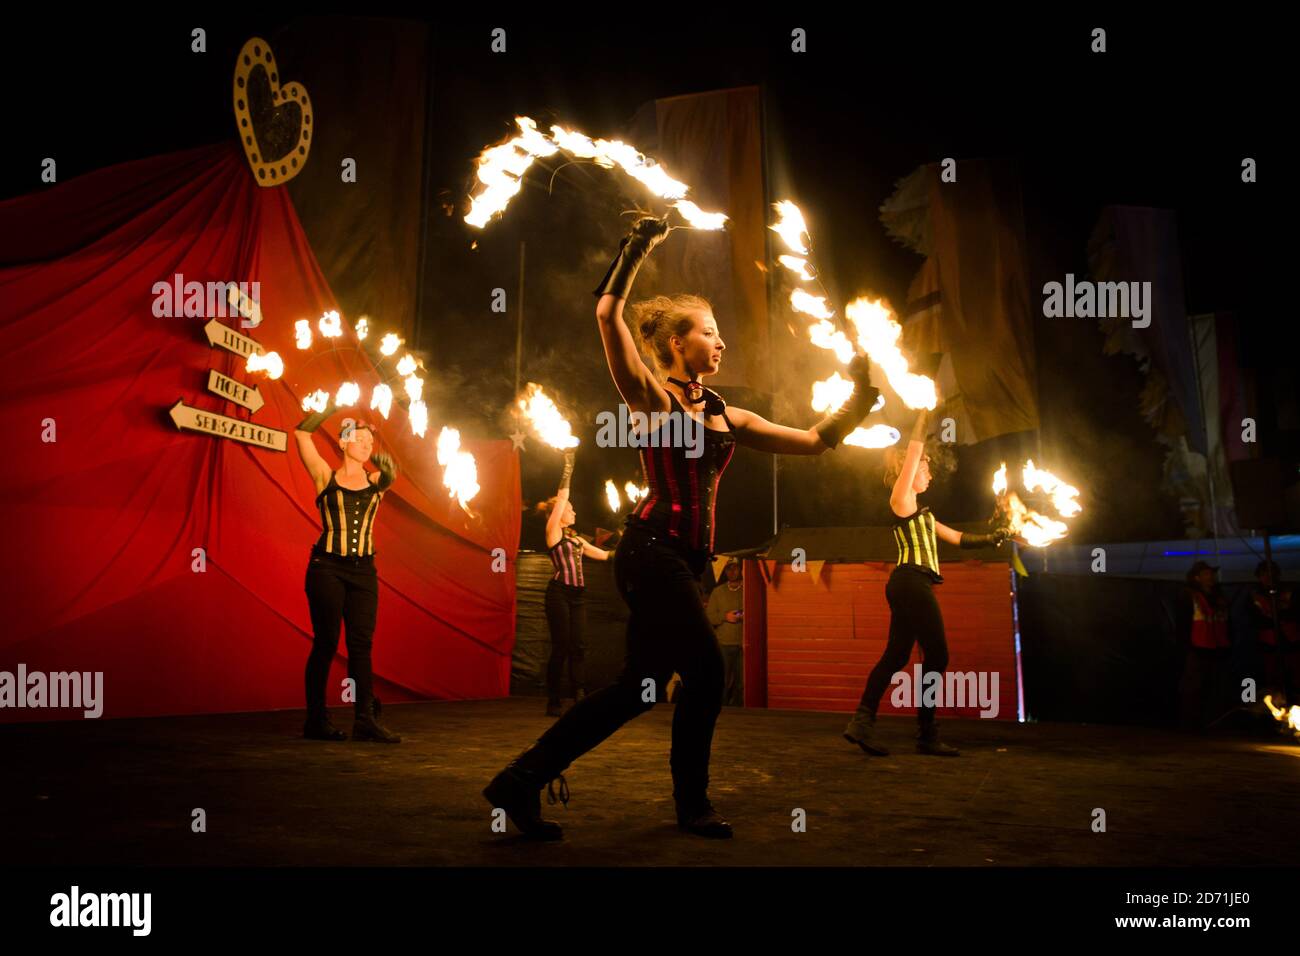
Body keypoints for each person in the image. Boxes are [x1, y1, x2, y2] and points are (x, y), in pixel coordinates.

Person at [484, 215, 881, 840]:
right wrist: (636, 248)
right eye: (709, 334)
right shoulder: (653, 399)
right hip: (650, 552)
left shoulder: (728, 414)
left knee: (638, 689)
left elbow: (813, 441)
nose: (720, 344)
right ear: (677, 343)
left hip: (686, 564)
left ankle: (521, 780)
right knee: (704, 671)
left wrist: (858, 399)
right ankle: (692, 805)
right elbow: (607, 318)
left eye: (721, 335)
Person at [843, 409, 1009, 757]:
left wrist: (995, 537)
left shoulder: (925, 515)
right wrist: (923, 413)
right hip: (910, 581)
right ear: (910, 470)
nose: (929, 474)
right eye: (925, 469)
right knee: (938, 654)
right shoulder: (901, 500)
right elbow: (915, 450)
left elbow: (960, 539)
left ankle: (861, 722)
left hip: (908, 585)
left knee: (896, 655)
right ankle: (927, 735)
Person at [294, 405, 401, 743]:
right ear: (342, 443)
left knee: (361, 644)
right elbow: (300, 433)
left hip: (364, 572)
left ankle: (364, 719)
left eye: (371, 440)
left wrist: (390, 473)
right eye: (359, 438)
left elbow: (389, 479)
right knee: (326, 642)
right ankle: (315, 720)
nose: (367, 444)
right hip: (327, 567)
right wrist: (330, 405)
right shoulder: (325, 476)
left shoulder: (374, 481)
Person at [538, 449, 612, 717]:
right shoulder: (553, 532)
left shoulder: (577, 540)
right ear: (559, 514)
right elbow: (563, 498)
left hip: (578, 595)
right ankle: (554, 699)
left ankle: (579, 695)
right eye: (570, 509)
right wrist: (568, 465)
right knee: (561, 646)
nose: (573, 510)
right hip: (558, 593)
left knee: (579, 645)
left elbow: (604, 555)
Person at [1179, 559, 1232, 730]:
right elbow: (1183, 623)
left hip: (1218, 649)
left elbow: (1226, 622)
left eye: (1212, 573)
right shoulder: (1190, 596)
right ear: (1197, 578)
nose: (1211, 577)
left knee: (1215, 687)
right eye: (1206, 574)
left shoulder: (1220, 598)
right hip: (1198, 648)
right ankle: (1191, 724)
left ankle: (1212, 722)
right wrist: (1187, 646)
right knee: (1194, 688)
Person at [1248, 560, 1298, 701]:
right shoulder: (1254, 596)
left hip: (1291, 641)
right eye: (1264, 574)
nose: (1268, 577)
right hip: (1268, 644)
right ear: (1259, 576)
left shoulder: (1290, 592)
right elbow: (1255, 619)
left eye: (1271, 573)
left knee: (1295, 677)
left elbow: (1294, 612)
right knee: (1271, 679)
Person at [706, 558, 745, 706]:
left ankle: (740, 711)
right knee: (722, 680)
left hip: (743, 644)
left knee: (741, 683)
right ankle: (721, 709)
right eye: (729, 569)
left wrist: (743, 615)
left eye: (735, 568)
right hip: (723, 644)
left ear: (740, 569)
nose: (732, 571)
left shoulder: (747, 590)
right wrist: (725, 617)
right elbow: (710, 617)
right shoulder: (718, 592)